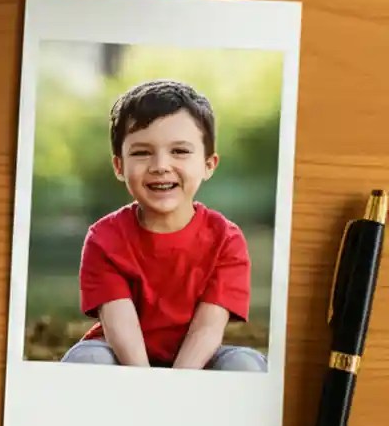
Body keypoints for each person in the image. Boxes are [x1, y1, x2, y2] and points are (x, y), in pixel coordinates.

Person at [59, 79, 267, 372]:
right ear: (119, 166)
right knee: (88, 360)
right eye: (142, 153)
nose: (160, 165)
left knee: (245, 364)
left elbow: (207, 329)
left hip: (196, 361)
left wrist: (174, 391)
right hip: (123, 357)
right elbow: (121, 326)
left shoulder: (226, 239)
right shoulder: (105, 238)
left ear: (209, 164)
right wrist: (148, 390)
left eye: (180, 151)